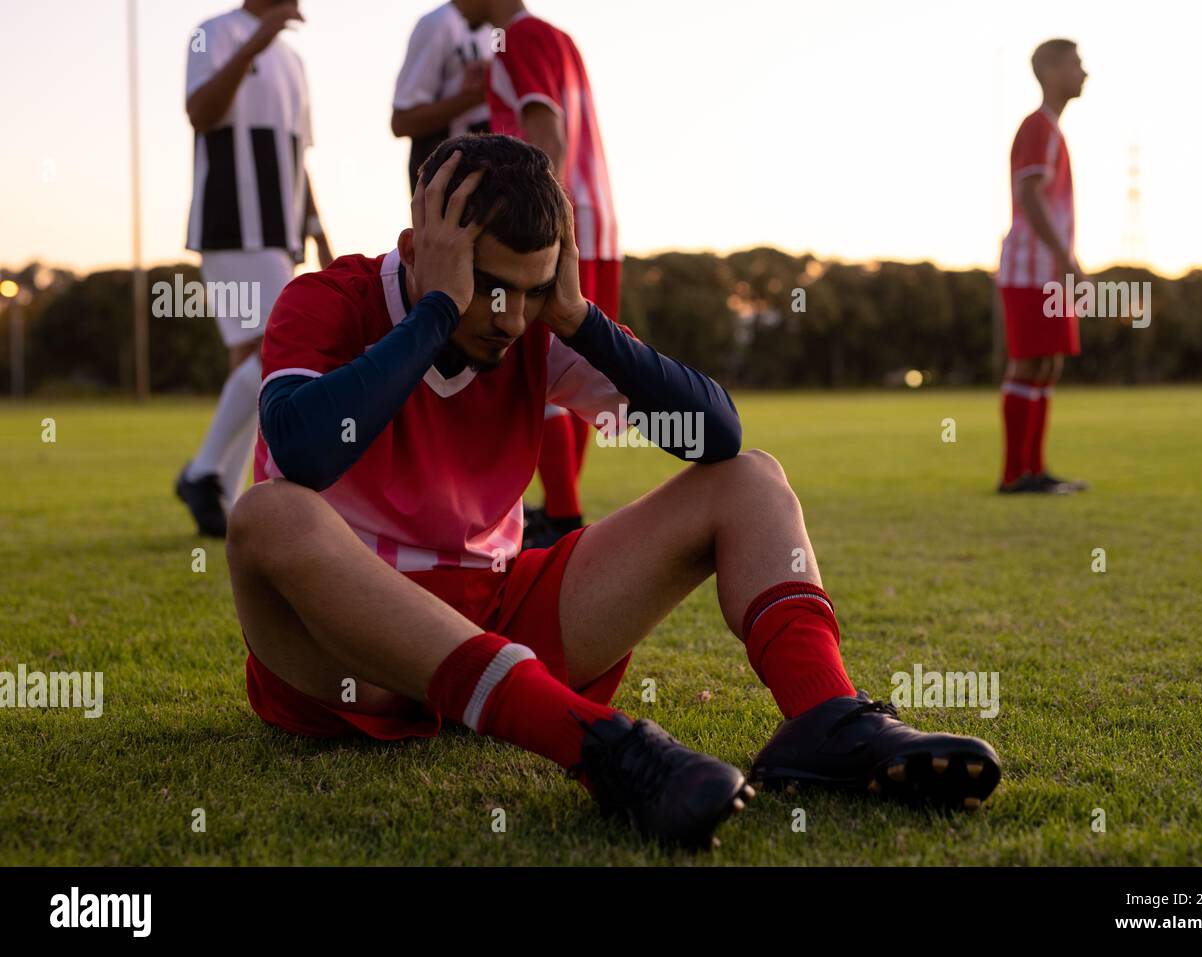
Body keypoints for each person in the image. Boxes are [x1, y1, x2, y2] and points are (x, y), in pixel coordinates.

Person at [227, 134, 1001, 849]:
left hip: (494, 613)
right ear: (419, 247)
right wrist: (436, 309)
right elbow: (306, 449)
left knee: (752, 476)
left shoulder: (533, 321)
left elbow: (714, 437)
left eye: (531, 291)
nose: (508, 318)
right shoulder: (328, 298)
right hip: (345, 658)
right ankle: (593, 743)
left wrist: (578, 317)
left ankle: (830, 721)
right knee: (270, 511)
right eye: (488, 286)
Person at [177, 0, 332, 536]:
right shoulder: (214, 33)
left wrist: (316, 233)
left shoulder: (292, 59)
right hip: (231, 221)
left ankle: (218, 484)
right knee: (271, 351)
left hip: (279, 231)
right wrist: (254, 42)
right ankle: (204, 474)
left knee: (251, 357)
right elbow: (200, 112)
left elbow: (297, 157)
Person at [474, 0, 621, 547]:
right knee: (574, 364)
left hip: (557, 226)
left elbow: (548, 136)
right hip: (595, 221)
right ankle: (561, 511)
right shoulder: (558, 38)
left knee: (536, 370)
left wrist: (536, 231)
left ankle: (560, 519)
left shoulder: (516, 39)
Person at [996, 38, 1089, 494]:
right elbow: (1030, 195)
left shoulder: (1052, 129)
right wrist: (1064, 257)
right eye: (1076, 64)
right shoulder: (1037, 126)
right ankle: (1014, 475)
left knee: (1048, 363)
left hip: (1048, 270)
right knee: (1028, 361)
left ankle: (1035, 470)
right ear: (1051, 70)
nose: (1084, 72)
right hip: (1031, 268)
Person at [391, 1, 494, 195]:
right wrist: (473, 97)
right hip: (451, 180)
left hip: (497, 176)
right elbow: (402, 122)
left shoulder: (500, 29)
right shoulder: (437, 23)